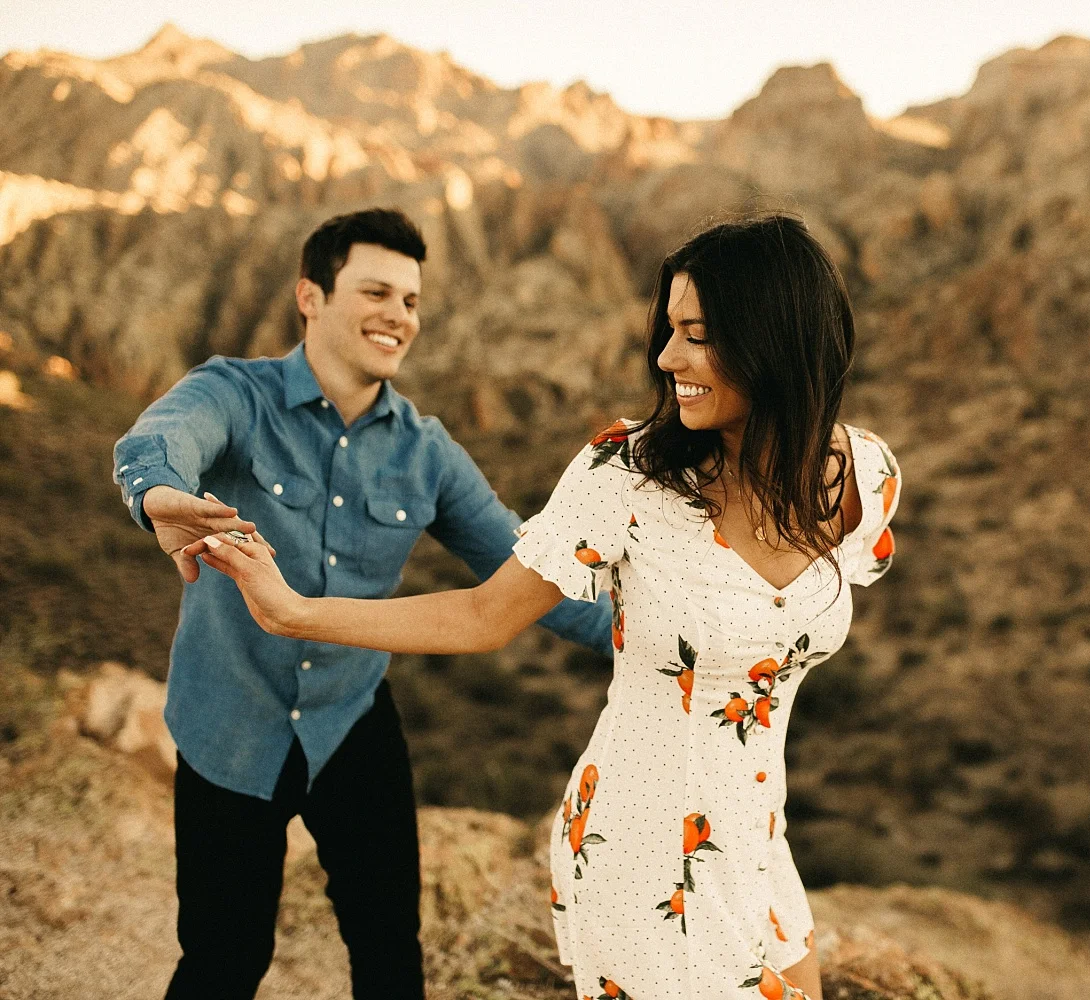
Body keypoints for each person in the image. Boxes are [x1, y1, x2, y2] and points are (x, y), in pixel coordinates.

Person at [189, 214, 902, 1000]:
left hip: (759, 838)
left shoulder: (861, 478)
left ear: (774, 340)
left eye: (695, 335)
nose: (667, 359)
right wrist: (294, 612)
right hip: (641, 845)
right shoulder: (626, 476)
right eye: (668, 331)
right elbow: (483, 615)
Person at [111, 207, 614, 1000]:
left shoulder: (428, 452)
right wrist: (162, 496)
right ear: (310, 295)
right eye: (377, 291)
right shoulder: (235, 394)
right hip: (226, 721)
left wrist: (668, 633)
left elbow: (533, 577)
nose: (398, 316)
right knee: (223, 958)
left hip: (353, 722)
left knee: (389, 955)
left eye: (411, 300)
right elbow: (161, 438)